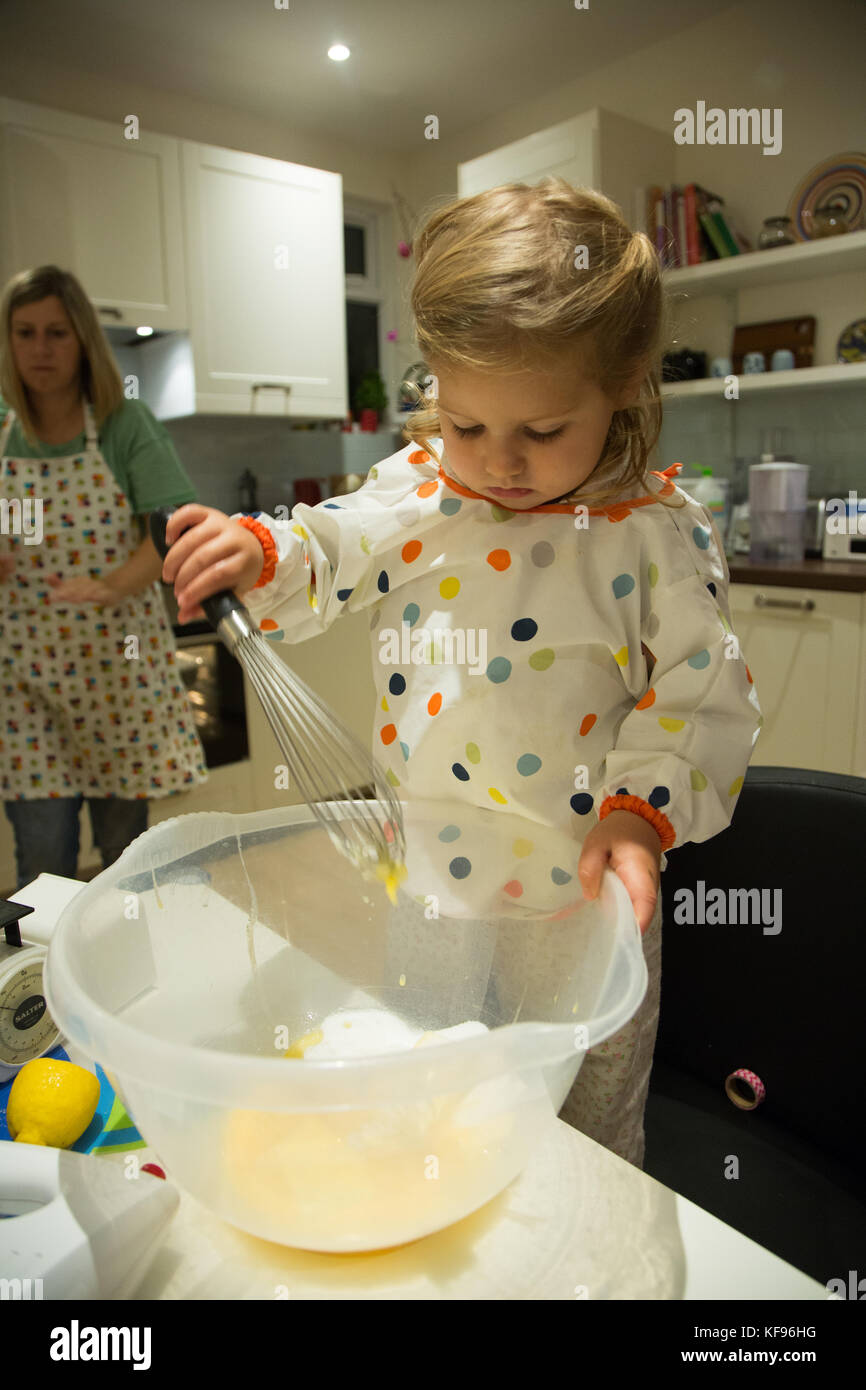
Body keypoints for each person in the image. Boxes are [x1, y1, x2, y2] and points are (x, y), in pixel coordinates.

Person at [157, 180, 762, 1169]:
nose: (497, 461)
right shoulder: (423, 488)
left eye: (539, 429)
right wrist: (262, 551)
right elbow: (335, 544)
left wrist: (634, 815)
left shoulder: (652, 535)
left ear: (621, 388)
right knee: (433, 1081)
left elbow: (698, 694)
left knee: (587, 1124)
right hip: (432, 875)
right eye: (467, 422)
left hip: (582, 894)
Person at [0, 265, 208, 891]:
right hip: (26, 685)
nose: (40, 349)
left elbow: (167, 529)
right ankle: (43, 989)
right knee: (43, 868)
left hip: (117, 674)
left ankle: (122, 984)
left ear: (83, 339)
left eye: (57, 333)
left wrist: (114, 585)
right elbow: (15, 529)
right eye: (25, 332)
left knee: (127, 863)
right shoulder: (3, 433)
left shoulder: (124, 425)